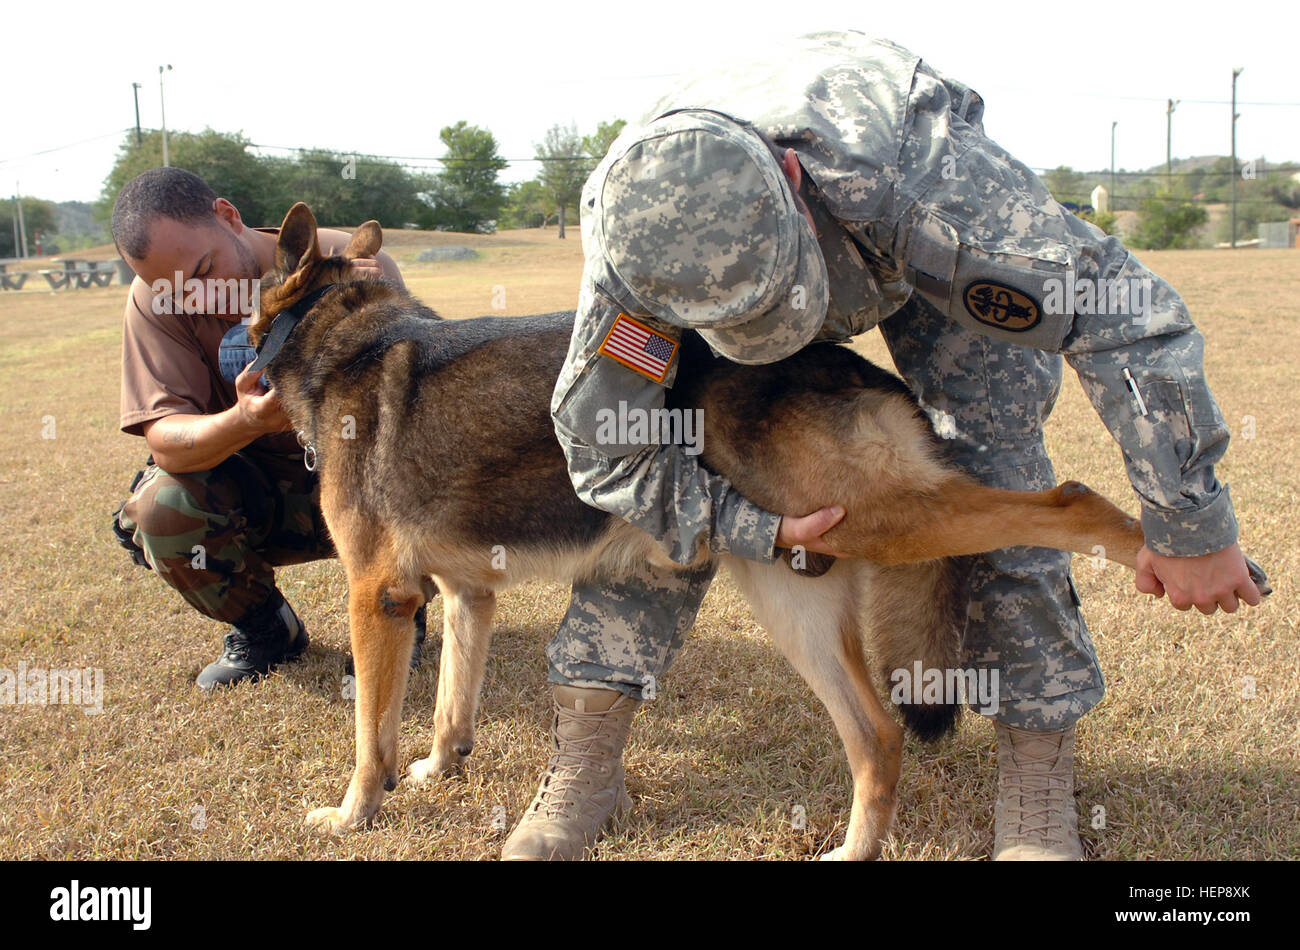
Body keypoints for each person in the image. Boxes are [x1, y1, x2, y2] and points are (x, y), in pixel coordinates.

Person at [501, 31, 1264, 860]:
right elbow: (605, 454)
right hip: (724, 288)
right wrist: (757, 528)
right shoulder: (637, 246)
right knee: (663, 451)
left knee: (990, 459)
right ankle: (587, 758)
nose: (767, 338)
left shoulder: (929, 183)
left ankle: (1036, 767)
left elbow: (1128, 320)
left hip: (897, 244)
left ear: (792, 180)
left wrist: (1190, 528)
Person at [110, 167, 425, 689]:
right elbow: (165, 439)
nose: (198, 299)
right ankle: (265, 629)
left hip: (362, 481)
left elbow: (417, 414)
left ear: (228, 217)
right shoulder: (153, 300)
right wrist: (246, 420)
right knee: (157, 509)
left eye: (204, 270)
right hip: (263, 495)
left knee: (423, 463)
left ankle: (398, 614)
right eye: (173, 291)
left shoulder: (346, 262)